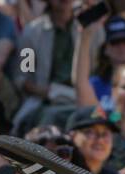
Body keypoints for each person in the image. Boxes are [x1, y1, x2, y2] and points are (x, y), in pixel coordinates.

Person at [12, 0, 80, 133]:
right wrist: (45, 92)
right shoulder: (32, 33)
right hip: (46, 100)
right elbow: (24, 77)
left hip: (83, 98)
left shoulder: (89, 29)